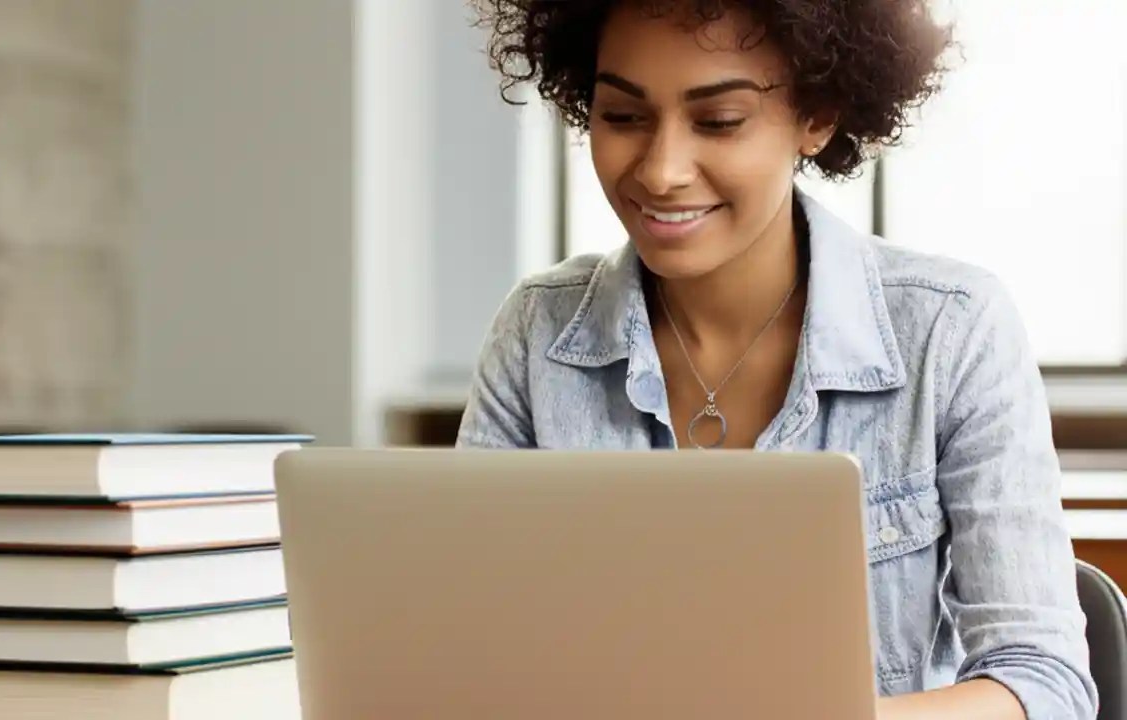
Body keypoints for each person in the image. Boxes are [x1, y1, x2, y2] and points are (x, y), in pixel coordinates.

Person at [457, 1, 1096, 718]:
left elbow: (1043, 682)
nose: (661, 171)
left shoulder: (952, 329)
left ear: (816, 116)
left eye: (719, 121)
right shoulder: (537, 330)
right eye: (623, 116)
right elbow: (464, 647)